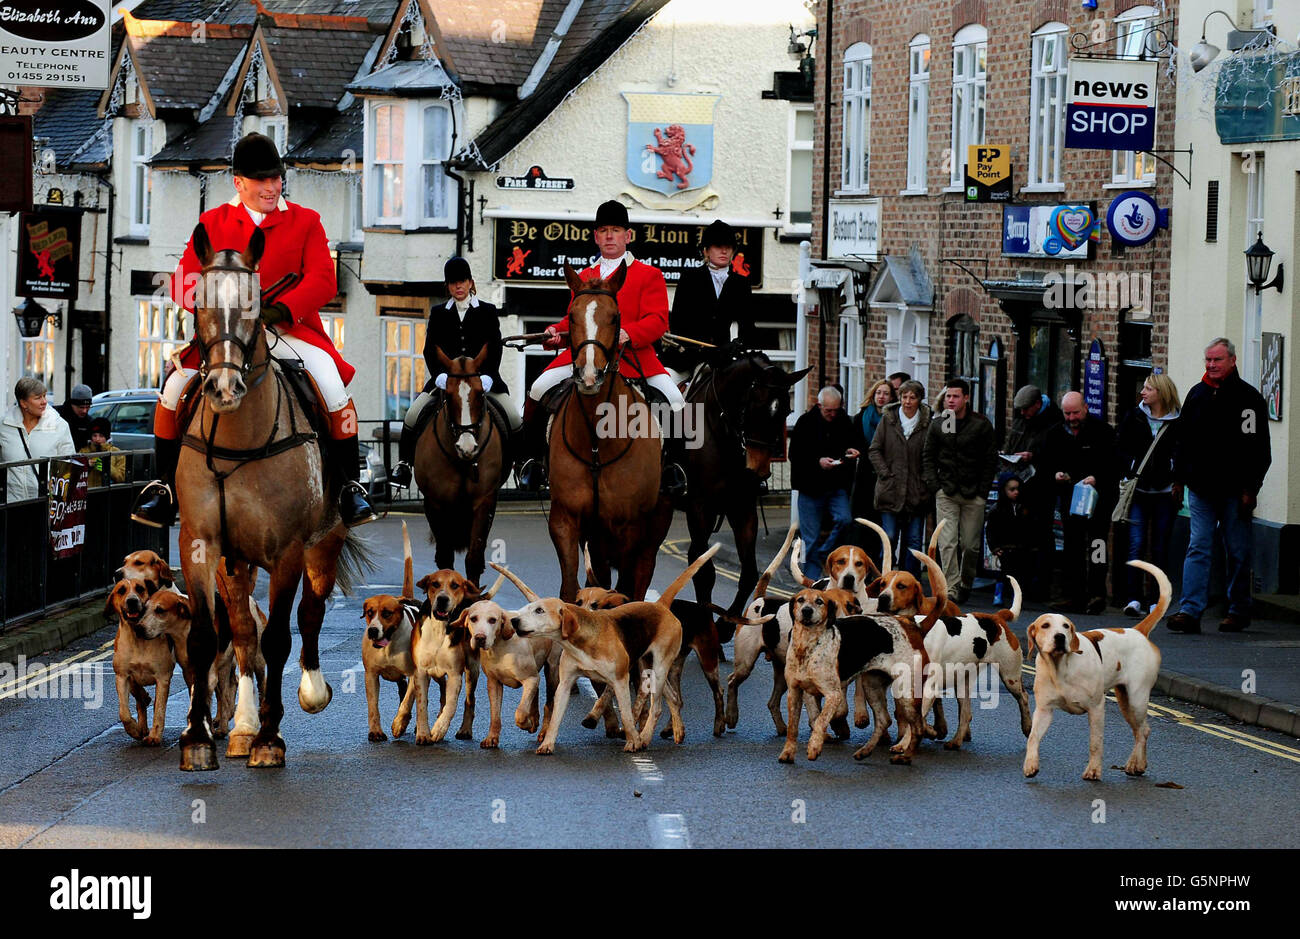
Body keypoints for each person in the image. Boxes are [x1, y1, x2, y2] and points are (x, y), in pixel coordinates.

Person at [132, 132, 376, 528]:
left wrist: (281, 308)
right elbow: (181, 282)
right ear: (238, 182)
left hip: (289, 333)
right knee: (173, 389)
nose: (271, 187)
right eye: (261, 180)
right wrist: (218, 308)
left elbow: (323, 280)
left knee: (331, 386)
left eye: (276, 178)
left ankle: (349, 488)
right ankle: (164, 488)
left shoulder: (306, 220)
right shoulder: (213, 223)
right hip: (225, 339)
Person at [516, 200, 687, 496]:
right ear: (596, 237)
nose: (610, 236)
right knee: (538, 387)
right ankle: (533, 461)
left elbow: (658, 321)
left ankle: (673, 468)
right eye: (604, 231)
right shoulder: (583, 276)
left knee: (676, 401)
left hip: (635, 357)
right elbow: (574, 320)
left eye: (616, 230)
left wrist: (627, 334)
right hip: (583, 356)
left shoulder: (650, 275)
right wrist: (556, 332)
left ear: (627, 236)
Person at [1167, 338, 1271, 633]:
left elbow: (1257, 448)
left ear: (1232, 361)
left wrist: (1251, 487)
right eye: (1208, 360)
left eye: (1217, 360)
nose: (1211, 365)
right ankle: (1190, 611)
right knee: (1198, 546)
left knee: (1237, 550)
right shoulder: (1197, 395)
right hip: (1200, 489)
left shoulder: (1248, 399)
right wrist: (1178, 480)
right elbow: (1182, 441)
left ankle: (1238, 609)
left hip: (1235, 491)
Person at [390, 257, 518, 487]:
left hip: (484, 381)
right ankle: (404, 466)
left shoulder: (487, 311)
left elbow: (495, 346)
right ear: (448, 286)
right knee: (412, 414)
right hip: (446, 382)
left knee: (514, 416)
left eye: (462, 282)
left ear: (470, 283)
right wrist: (439, 376)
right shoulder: (439, 312)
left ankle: (522, 464)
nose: (458, 287)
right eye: (453, 283)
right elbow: (430, 348)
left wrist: (487, 376)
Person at [921, 379, 997, 604]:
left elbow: (990, 459)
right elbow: (928, 456)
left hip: (974, 493)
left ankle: (966, 582)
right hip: (946, 491)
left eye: (955, 396)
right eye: (947, 396)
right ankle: (951, 587)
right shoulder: (940, 423)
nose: (950, 400)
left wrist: (983, 491)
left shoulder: (981, 425)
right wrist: (935, 487)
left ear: (966, 398)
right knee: (948, 542)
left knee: (971, 546)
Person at [1114, 371, 1181, 618]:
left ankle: (1156, 599)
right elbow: (1120, 447)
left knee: (1160, 547)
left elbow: (1182, 452)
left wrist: (1175, 473)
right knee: (1136, 544)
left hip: (1164, 491)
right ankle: (1133, 598)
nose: (1143, 392)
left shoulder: (1177, 420)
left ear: (1161, 393)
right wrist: (1131, 466)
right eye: (1143, 387)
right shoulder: (1134, 417)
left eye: (1148, 388)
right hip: (1139, 490)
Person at [1042, 390, 1116, 614]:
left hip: (1098, 502)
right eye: (1067, 413)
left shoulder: (1103, 432)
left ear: (1085, 408)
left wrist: (1097, 478)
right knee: (1072, 549)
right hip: (1070, 501)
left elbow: (1115, 465)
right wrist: (1055, 475)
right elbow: (1045, 465)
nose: (1072, 418)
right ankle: (1075, 595)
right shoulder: (1055, 434)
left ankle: (1097, 593)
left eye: (1075, 412)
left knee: (1098, 546)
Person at [661, 219, 757, 387]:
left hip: (724, 358)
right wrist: (697, 348)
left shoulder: (741, 284)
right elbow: (678, 321)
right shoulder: (689, 278)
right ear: (706, 251)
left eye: (728, 247)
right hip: (690, 356)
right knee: (667, 387)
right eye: (718, 246)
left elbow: (747, 326)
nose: (724, 251)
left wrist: (737, 345)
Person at [1002, 384, 1063, 600]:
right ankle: (1021, 585)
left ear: (1037, 405)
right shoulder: (1022, 419)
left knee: (1043, 537)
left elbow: (1056, 455)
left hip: (1043, 488)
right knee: (1021, 536)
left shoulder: (1054, 422)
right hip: (1021, 485)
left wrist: (1033, 457)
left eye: (1026, 409)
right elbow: (1012, 442)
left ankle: (1040, 586)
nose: (1022, 413)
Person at [791, 386, 861, 572]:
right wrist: (817, 462)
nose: (832, 414)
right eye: (828, 410)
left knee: (845, 520)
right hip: (810, 487)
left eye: (835, 410)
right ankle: (808, 578)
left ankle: (824, 553)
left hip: (835, 486)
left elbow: (851, 445)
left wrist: (849, 453)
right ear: (819, 405)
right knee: (809, 538)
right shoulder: (805, 422)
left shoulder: (844, 421)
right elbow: (795, 454)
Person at [868, 379, 931, 575]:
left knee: (913, 540)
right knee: (889, 536)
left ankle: (910, 580)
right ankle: (883, 578)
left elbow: (932, 454)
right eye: (904, 397)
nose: (908, 401)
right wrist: (885, 473)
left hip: (916, 491)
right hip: (890, 489)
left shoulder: (928, 422)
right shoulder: (889, 419)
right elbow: (874, 449)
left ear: (919, 399)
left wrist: (925, 481)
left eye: (912, 397)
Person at [0, 377, 75, 503]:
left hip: (45, 504)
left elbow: (70, 464)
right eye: (38, 397)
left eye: (45, 396)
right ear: (23, 403)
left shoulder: (59, 425)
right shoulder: (4, 425)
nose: (44, 401)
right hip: (10, 505)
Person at [850, 378, 896, 556]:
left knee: (881, 527)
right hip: (864, 478)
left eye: (886, 393)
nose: (881, 397)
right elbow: (853, 442)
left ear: (892, 397)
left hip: (885, 477)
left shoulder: (894, 419)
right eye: (878, 393)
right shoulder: (862, 417)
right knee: (862, 523)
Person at [985, 472, 1032, 607]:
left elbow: (1027, 527)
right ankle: (998, 594)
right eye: (1012, 489)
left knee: (1018, 573)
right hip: (1004, 547)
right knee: (1004, 572)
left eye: (1017, 489)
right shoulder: (997, 509)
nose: (1016, 492)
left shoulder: (1022, 507)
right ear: (1003, 490)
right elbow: (990, 530)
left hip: (1019, 546)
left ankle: (1015, 598)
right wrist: (994, 547)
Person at [79, 416, 126, 487]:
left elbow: (122, 477)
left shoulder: (116, 452)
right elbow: (74, 474)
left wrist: (106, 467)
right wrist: (87, 465)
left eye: (101, 436)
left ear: (107, 437)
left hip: (107, 492)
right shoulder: (84, 451)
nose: (97, 439)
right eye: (94, 435)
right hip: (88, 492)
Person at [54, 383, 94, 450]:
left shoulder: (90, 421)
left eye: (88, 407)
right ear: (72, 404)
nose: (85, 411)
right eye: (81, 407)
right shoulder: (56, 415)